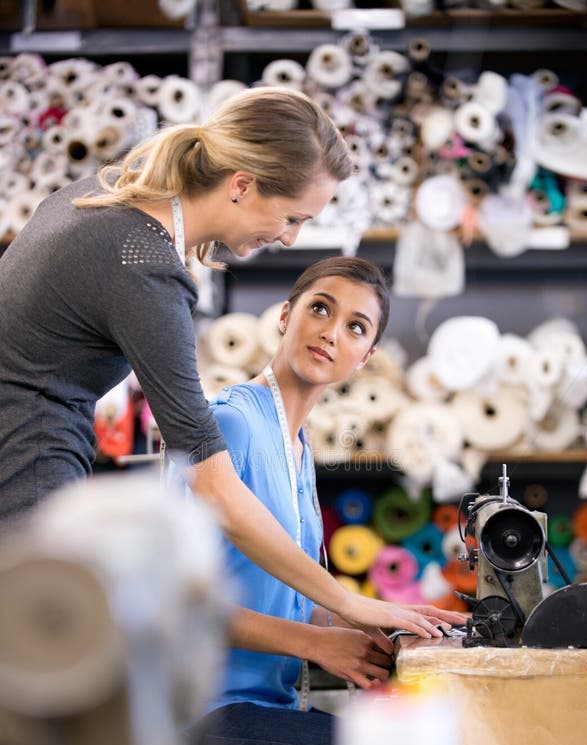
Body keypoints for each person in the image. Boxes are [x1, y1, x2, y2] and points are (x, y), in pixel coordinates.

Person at [0, 85, 459, 636]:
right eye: (293, 218)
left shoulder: (103, 196)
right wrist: (352, 605)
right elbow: (210, 482)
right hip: (22, 461)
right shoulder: (144, 267)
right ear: (241, 186)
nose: (290, 239)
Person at [186, 257, 467, 745]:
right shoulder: (231, 425)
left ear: (365, 357)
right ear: (285, 316)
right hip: (204, 710)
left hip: (268, 704)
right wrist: (317, 643)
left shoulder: (298, 447)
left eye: (355, 327)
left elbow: (276, 599)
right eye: (320, 309)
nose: (331, 333)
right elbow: (176, 604)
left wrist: (382, 622)